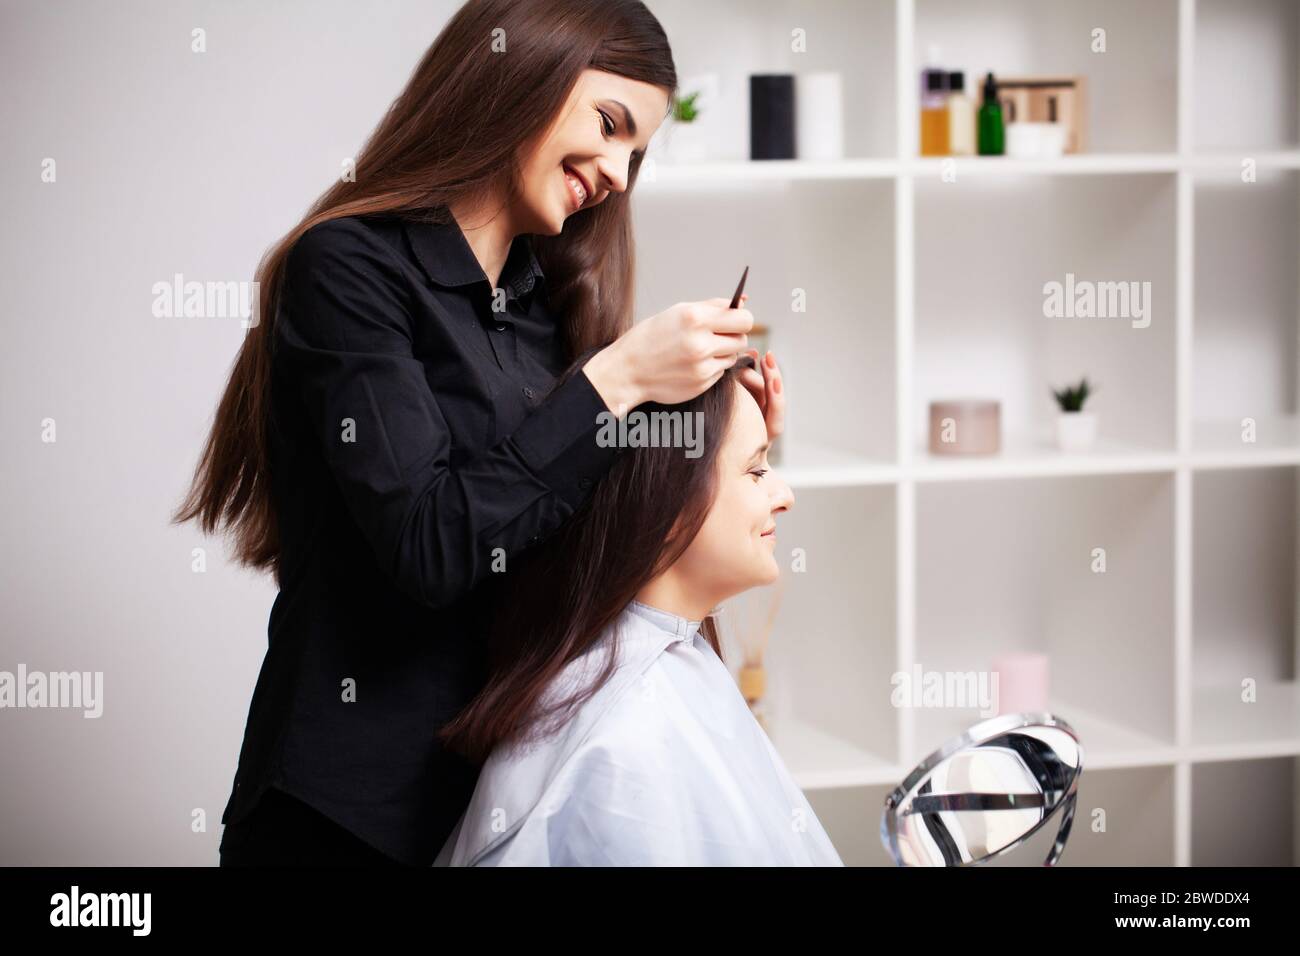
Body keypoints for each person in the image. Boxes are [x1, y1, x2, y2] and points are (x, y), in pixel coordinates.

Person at [172, 0, 786, 866]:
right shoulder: (348, 271)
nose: (616, 170)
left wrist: (729, 450)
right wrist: (617, 379)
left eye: (635, 154)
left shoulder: (551, 310)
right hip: (345, 816)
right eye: (609, 125)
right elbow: (431, 546)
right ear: (521, 70)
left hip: (506, 798)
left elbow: (582, 542)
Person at [434, 363, 841, 865]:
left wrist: (731, 432)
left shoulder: (654, 663)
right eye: (758, 471)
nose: (786, 496)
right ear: (668, 506)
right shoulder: (623, 750)